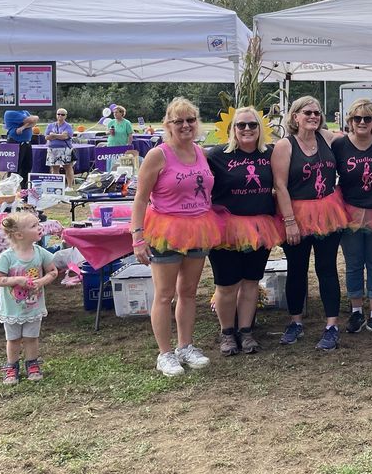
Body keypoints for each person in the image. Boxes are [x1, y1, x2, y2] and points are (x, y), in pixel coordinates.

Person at [131, 97, 221, 377]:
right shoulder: (158, 155)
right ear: (168, 124)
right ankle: (165, 353)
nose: (185, 125)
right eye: (178, 121)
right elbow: (140, 198)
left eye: (190, 120)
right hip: (166, 231)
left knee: (189, 292)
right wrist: (137, 237)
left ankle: (185, 346)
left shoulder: (201, 152)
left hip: (199, 227)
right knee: (164, 294)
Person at [272, 96, 348, 351]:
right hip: (295, 213)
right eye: (307, 112)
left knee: (327, 268)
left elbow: (356, 139)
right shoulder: (285, 145)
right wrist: (289, 222)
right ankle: (295, 322)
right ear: (295, 116)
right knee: (297, 268)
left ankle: (332, 325)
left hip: (327, 212)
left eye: (317, 112)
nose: (313, 116)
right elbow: (280, 186)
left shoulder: (327, 138)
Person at [207, 106, 282, 356]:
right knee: (227, 284)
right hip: (226, 230)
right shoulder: (217, 155)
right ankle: (227, 333)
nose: (247, 129)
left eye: (252, 124)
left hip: (261, 228)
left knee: (251, 282)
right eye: (241, 125)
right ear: (232, 129)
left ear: (260, 128)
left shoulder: (270, 153)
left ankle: (246, 331)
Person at [332, 99, 372, 337]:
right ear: (350, 120)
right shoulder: (339, 145)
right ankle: (357, 311)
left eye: (367, 118)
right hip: (350, 213)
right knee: (354, 263)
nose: (362, 122)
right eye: (357, 118)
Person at [0, 210, 58, 385]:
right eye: (34, 226)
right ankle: (12, 366)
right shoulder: (7, 257)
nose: (40, 227)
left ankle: (32, 364)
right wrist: (17, 280)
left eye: (38, 224)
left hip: (33, 308)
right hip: (12, 310)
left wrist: (41, 282)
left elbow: (53, 271)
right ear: (19, 235)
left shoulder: (41, 253)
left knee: (31, 338)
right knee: (13, 339)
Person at [3, 109, 38, 188]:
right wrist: (29, 123)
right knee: (14, 168)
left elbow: (35, 120)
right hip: (15, 142)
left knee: (27, 167)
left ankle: (24, 190)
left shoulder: (24, 111)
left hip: (26, 142)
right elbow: (31, 120)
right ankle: (11, 189)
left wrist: (23, 127)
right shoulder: (10, 112)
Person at [44, 108, 75, 187]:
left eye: (62, 114)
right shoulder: (50, 125)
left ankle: (70, 186)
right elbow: (47, 137)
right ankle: (56, 186)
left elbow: (65, 136)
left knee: (67, 167)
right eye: (58, 114)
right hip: (52, 149)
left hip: (65, 149)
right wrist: (58, 136)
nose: (60, 116)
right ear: (56, 115)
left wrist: (53, 135)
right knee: (54, 168)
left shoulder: (68, 126)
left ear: (65, 116)